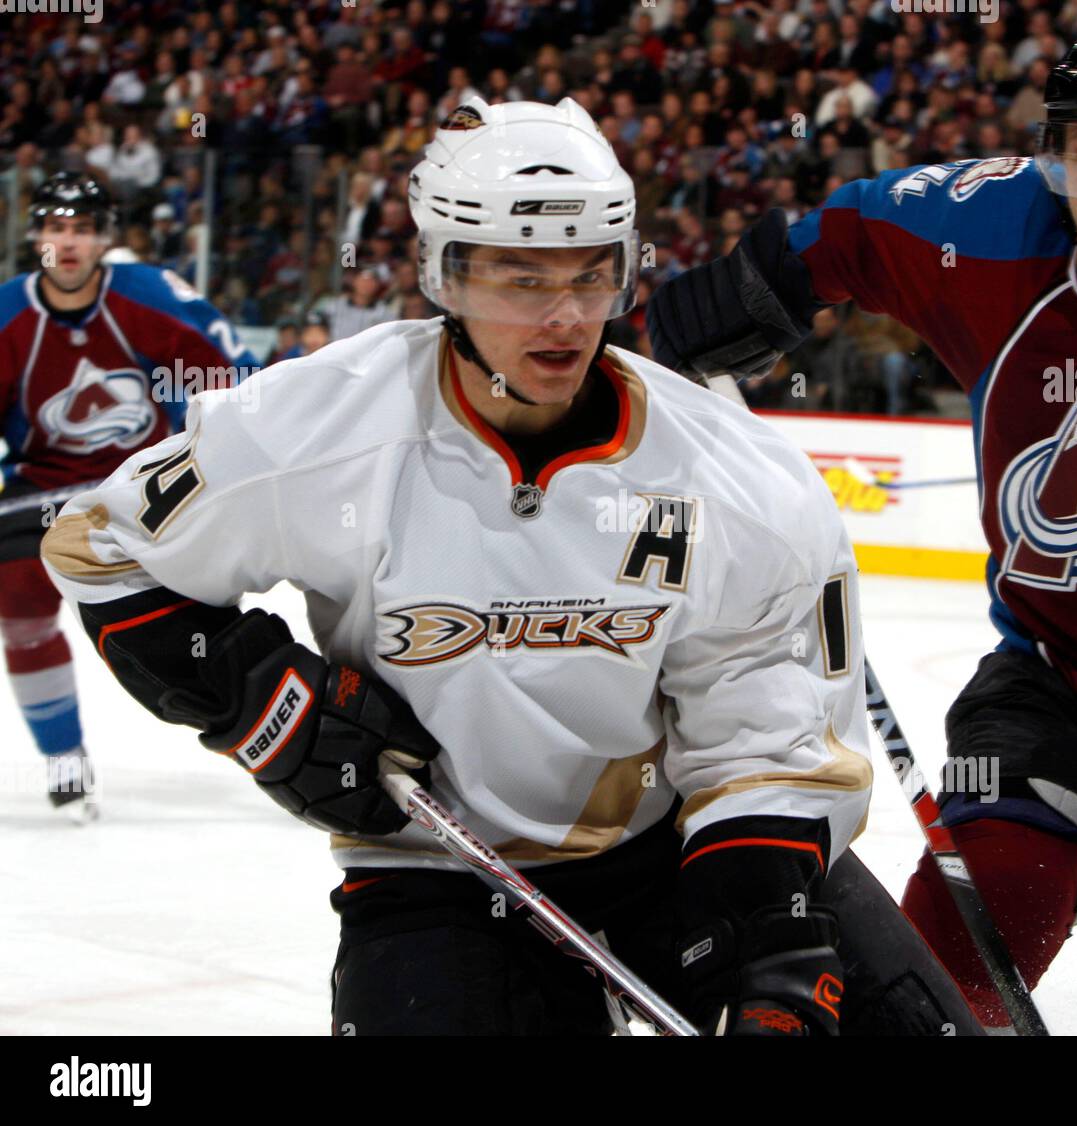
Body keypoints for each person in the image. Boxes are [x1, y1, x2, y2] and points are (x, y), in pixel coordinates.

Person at [40, 98, 979, 1036]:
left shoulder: (736, 473)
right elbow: (101, 544)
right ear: (442, 275)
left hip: (682, 853)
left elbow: (757, 726)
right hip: (439, 874)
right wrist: (263, 704)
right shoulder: (321, 426)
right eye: (520, 279)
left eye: (590, 275)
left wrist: (772, 933)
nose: (564, 318)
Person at [646, 23, 1077, 1032]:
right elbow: (848, 230)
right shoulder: (995, 234)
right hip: (1055, 692)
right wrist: (762, 276)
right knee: (935, 993)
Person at [0, 172, 259, 820]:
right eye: (57, 228)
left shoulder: (152, 296)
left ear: (103, 239)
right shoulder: (6, 314)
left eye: (82, 229)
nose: (68, 243)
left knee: (190, 628)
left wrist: (209, 461)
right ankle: (64, 758)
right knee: (20, 610)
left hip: (140, 484)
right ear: (38, 238)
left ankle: (283, 737)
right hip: (43, 485)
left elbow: (231, 384)